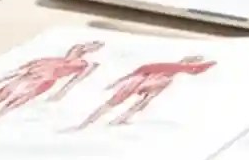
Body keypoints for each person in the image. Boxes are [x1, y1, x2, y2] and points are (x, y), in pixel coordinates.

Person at [0, 41, 103, 139]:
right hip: (29, 77)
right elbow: (11, 74)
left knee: (3, 109)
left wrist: (60, 93)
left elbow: (74, 81)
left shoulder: (85, 64)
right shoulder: (46, 61)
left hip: (41, 82)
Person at [75, 55, 216, 129]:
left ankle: (114, 119)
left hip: (150, 80)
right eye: (193, 61)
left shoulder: (172, 70)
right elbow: (195, 69)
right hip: (147, 80)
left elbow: (142, 69)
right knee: (121, 102)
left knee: (140, 101)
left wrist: (119, 81)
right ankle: (92, 122)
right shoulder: (175, 67)